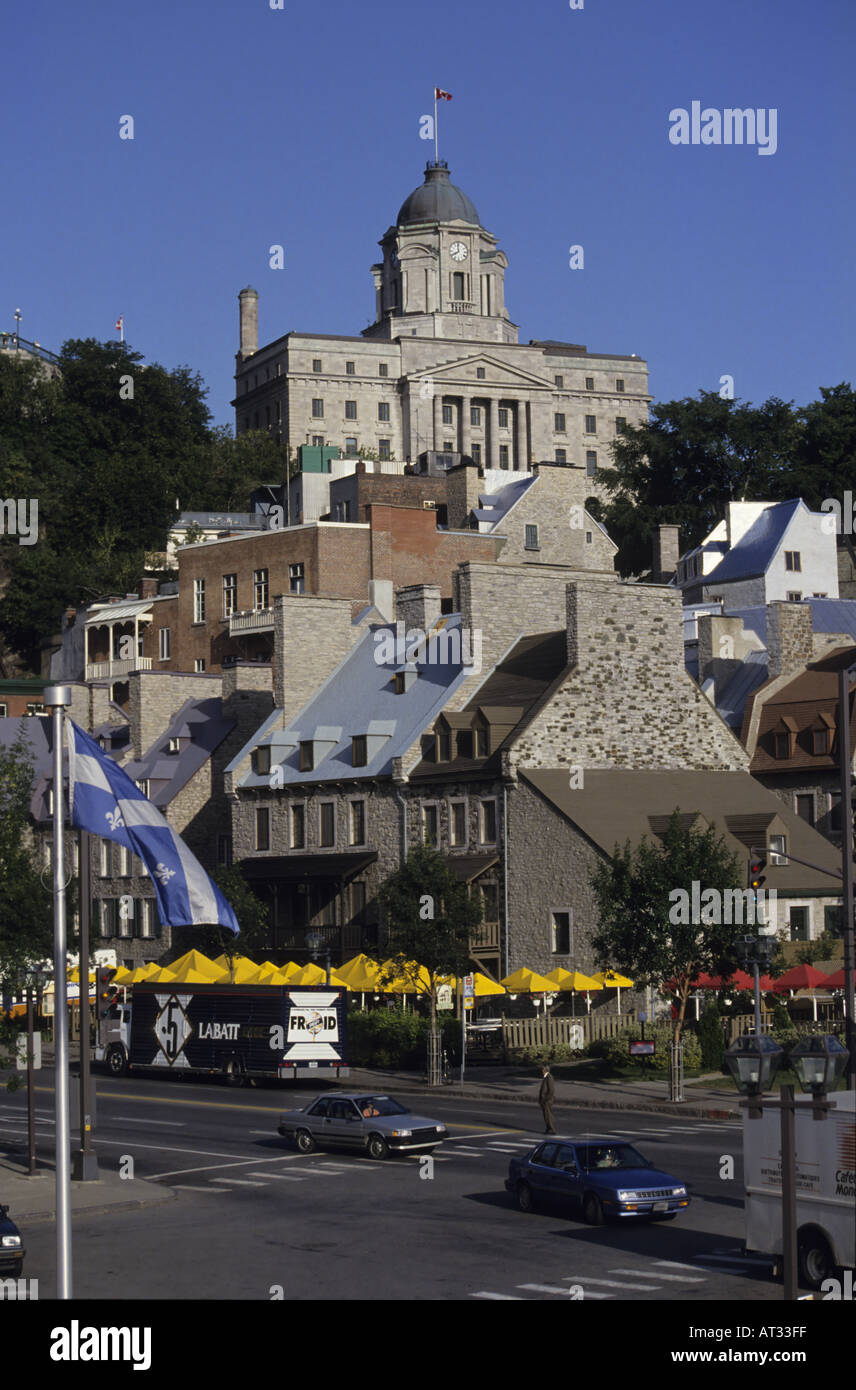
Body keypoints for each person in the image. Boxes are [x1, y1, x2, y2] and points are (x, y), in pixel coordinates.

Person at [538, 1065, 556, 1134]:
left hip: (547, 1100)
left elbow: (551, 1090)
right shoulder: (546, 1077)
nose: (541, 1071)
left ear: (545, 1070)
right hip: (545, 1100)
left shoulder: (549, 1077)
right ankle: (549, 1128)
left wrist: (545, 1099)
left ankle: (551, 1129)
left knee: (548, 1115)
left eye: (542, 1069)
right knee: (546, 1115)